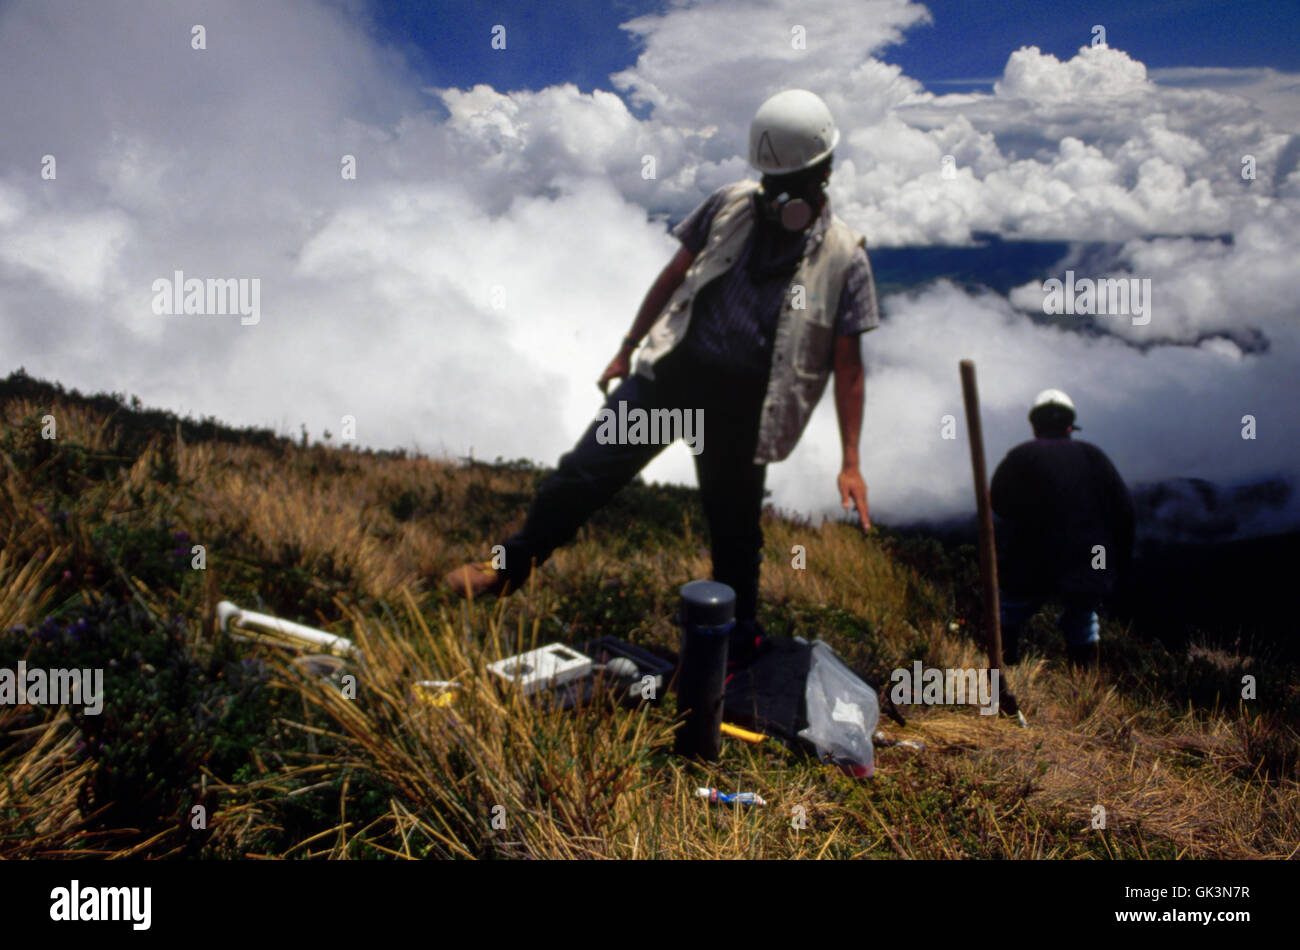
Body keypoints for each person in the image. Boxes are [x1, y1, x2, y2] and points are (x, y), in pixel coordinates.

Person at [443, 89, 880, 663]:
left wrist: (851, 460)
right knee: (579, 478)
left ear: (822, 175)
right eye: (771, 183)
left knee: (735, 536)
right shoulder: (729, 204)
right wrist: (628, 347)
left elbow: (848, 367)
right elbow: (674, 275)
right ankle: (503, 570)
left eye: (792, 184)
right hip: (671, 382)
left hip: (744, 413)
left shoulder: (846, 258)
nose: (779, 198)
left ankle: (732, 644)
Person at [990, 389, 1136, 669]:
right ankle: (1084, 689)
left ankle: (1005, 676)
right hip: (1087, 560)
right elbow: (1124, 511)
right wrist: (1116, 563)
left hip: (1031, 556)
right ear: (1070, 426)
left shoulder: (1019, 457)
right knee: (1083, 618)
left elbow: (998, 503)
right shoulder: (1094, 456)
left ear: (1035, 426)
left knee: (1011, 613)